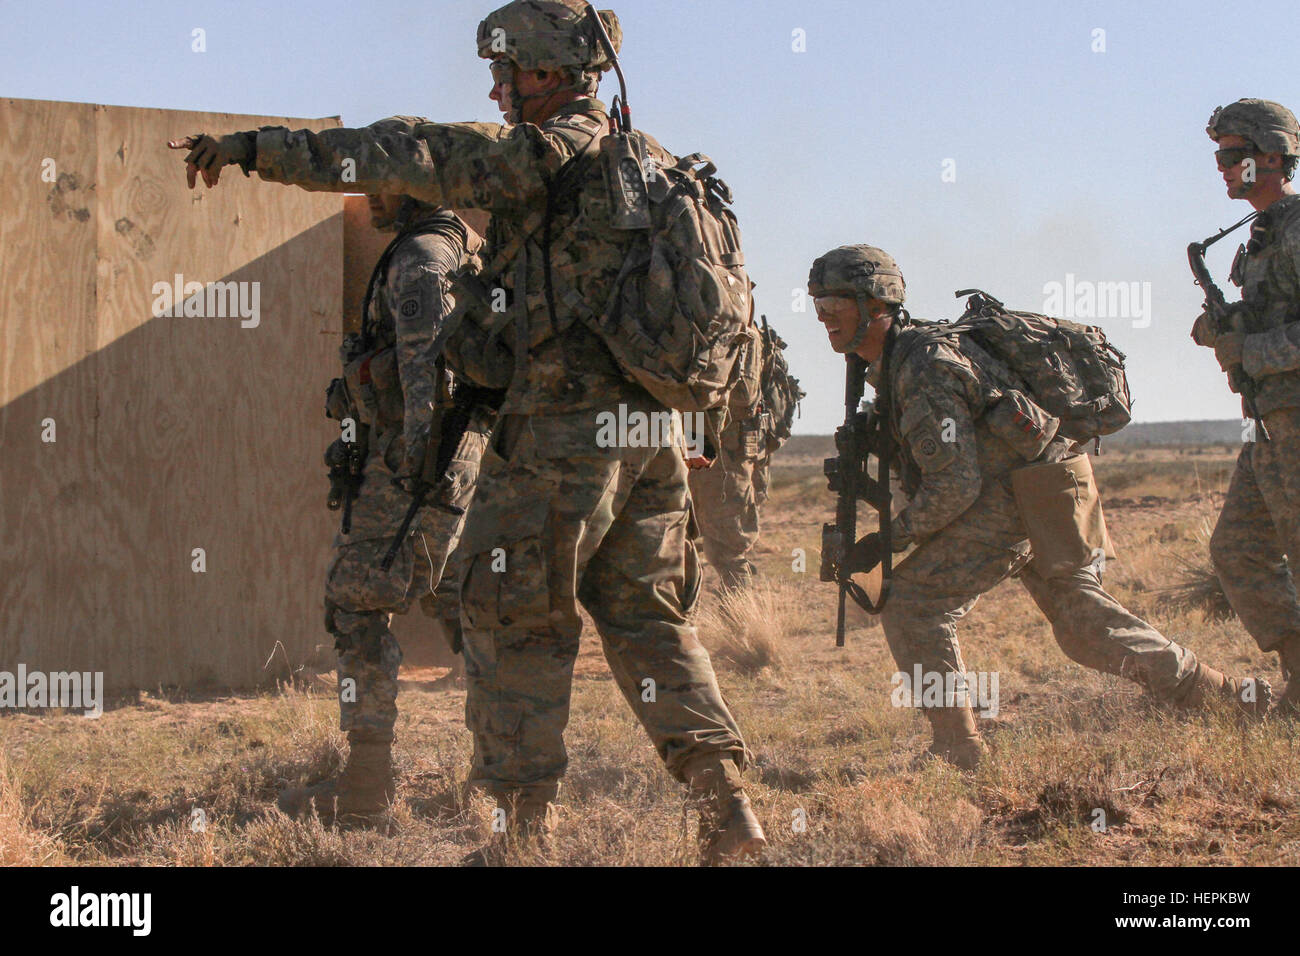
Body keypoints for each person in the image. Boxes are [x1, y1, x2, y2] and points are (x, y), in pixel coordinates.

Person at [169, 0, 765, 863]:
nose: (496, 88)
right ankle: (728, 807)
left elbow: (396, 147)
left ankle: (518, 837)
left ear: (549, 74)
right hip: (650, 435)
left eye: (507, 71)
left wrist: (253, 149)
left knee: (511, 619)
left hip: (562, 433)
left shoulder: (536, 158)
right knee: (648, 619)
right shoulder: (655, 166)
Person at [811, 244, 1270, 770]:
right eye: (818, 308)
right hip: (1045, 485)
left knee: (915, 603)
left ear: (876, 303)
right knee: (1084, 626)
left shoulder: (922, 368)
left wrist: (888, 539)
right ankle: (1229, 696)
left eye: (833, 307)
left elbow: (954, 485)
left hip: (1014, 498)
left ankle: (958, 748)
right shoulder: (902, 357)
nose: (823, 320)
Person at [278, 172, 494, 826]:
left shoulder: (424, 260)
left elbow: (428, 376)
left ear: (419, 186)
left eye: (383, 182)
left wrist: (412, 463)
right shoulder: (442, 245)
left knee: (355, 597)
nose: (370, 195)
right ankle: (497, 780)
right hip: (429, 462)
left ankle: (367, 790)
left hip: (419, 466)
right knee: (463, 600)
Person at [1196, 99, 1300, 717]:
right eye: (1219, 156)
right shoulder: (1261, 234)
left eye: (1232, 155)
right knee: (1238, 547)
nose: (1223, 168)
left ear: (1270, 155)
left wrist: (1249, 349)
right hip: (1268, 425)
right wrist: (1223, 329)